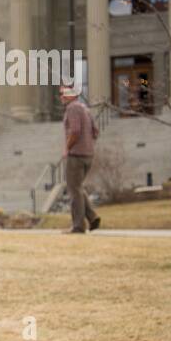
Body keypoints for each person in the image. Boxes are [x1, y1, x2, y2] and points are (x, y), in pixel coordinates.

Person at [61, 81, 101, 234]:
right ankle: (92, 217)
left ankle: (78, 226)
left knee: (74, 190)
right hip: (88, 155)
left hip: (76, 155)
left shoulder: (72, 108)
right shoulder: (85, 108)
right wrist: (87, 145)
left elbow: (75, 131)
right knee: (78, 187)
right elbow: (95, 131)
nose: (61, 97)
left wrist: (67, 148)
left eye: (63, 93)